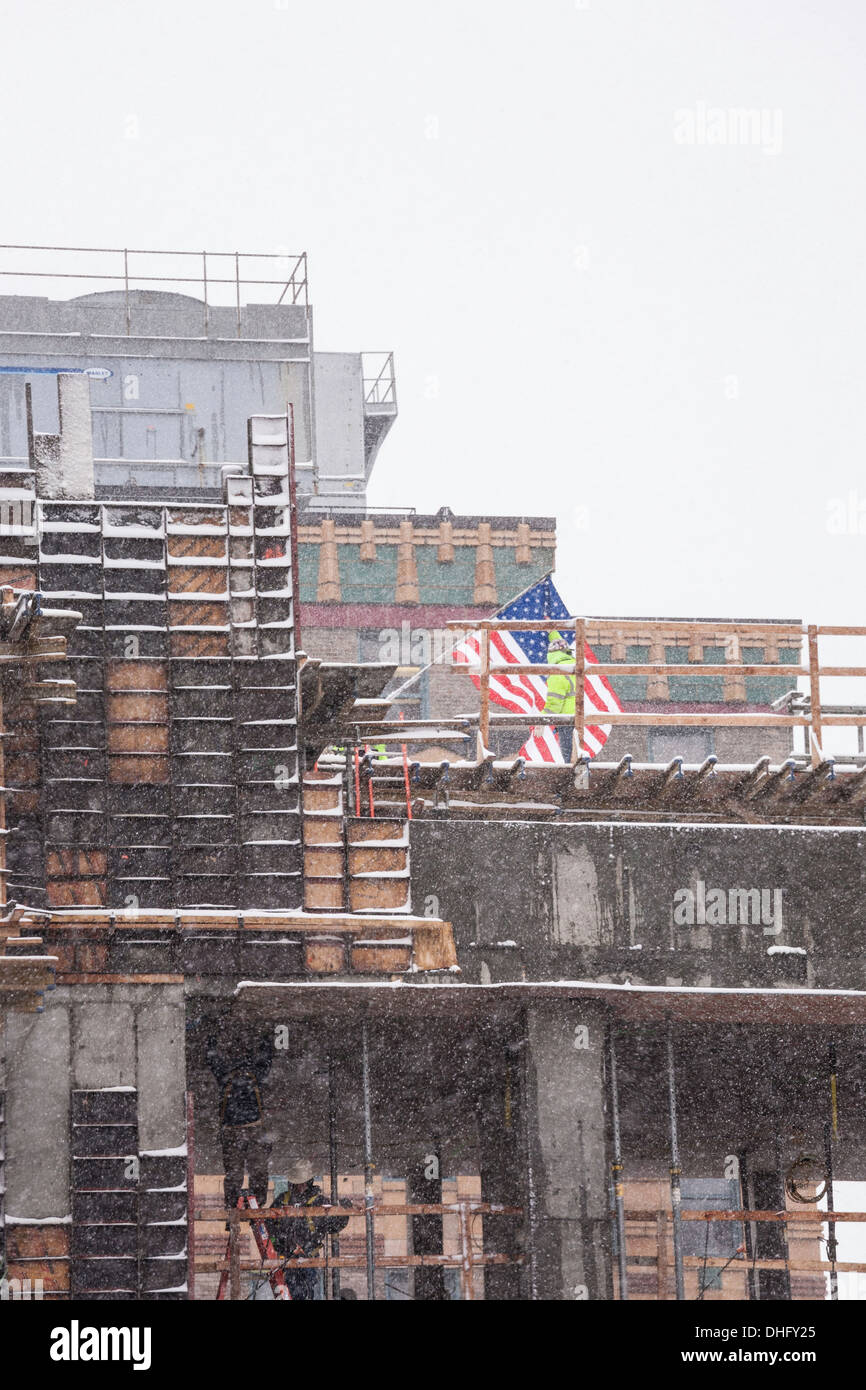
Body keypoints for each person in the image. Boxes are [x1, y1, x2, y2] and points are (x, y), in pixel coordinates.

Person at [207, 1030, 274, 1214]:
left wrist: (211, 1042)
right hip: (243, 1130)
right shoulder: (251, 1075)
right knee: (242, 1173)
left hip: (244, 1129)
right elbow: (266, 1060)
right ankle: (239, 1206)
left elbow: (213, 1061)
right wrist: (267, 1040)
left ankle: (245, 1206)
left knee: (249, 1171)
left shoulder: (231, 1075)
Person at [266, 1160, 353, 1301]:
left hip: (310, 1258)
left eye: (304, 1182)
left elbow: (334, 1226)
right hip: (286, 1260)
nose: (301, 1186)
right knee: (292, 1292)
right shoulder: (282, 1200)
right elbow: (268, 1225)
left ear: (310, 1181)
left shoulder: (319, 1202)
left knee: (308, 1292)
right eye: (297, 1182)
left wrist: (344, 1213)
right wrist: (278, 1243)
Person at [542, 630, 577, 764]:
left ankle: (571, 781)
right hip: (576, 717)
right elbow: (559, 644)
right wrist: (552, 631)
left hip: (566, 720)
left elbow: (554, 705)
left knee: (568, 757)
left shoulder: (557, 673)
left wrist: (541, 721)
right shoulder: (573, 665)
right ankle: (581, 779)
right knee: (577, 752)